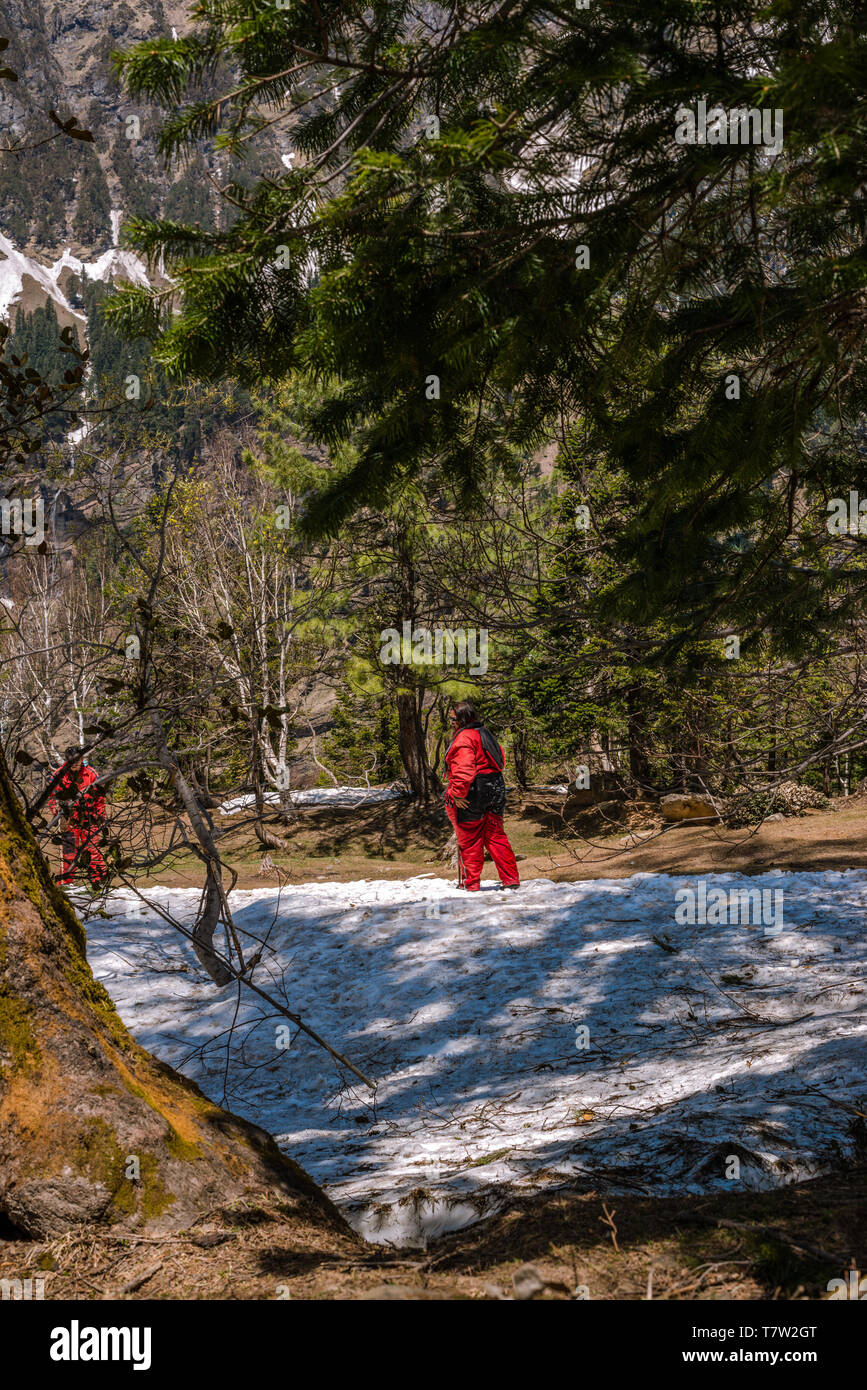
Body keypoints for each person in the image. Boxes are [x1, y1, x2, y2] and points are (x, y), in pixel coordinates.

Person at [444, 701, 520, 892]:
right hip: (495, 787)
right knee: (496, 836)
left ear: (461, 719)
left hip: (472, 792)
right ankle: (510, 879)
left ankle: (471, 884)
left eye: (452, 718)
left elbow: (464, 770)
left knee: (469, 840)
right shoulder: (485, 733)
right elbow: (500, 759)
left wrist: (456, 793)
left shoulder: (464, 739)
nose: (450, 722)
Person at [48, 747, 107, 888]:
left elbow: (100, 797)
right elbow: (51, 797)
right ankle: (66, 885)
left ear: (82, 759)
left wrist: (100, 816)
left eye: (78, 760)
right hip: (68, 821)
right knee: (68, 854)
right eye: (72, 760)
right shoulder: (58, 775)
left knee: (93, 852)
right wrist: (56, 809)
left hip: (89, 819)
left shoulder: (91, 773)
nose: (75, 763)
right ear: (66, 760)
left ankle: (99, 883)